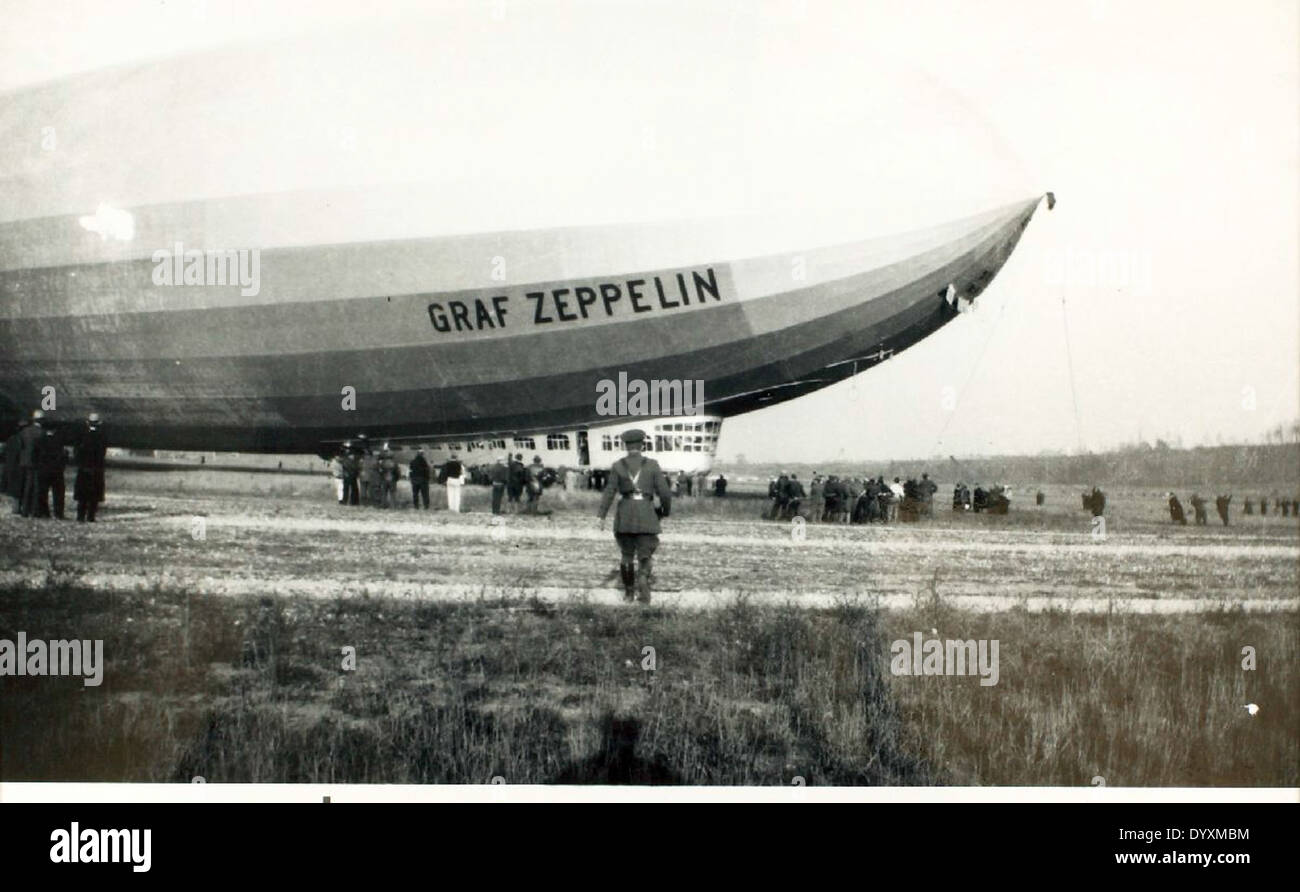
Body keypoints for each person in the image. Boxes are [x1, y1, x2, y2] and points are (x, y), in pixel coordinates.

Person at [597, 428, 672, 603]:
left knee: (626, 555)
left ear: (626, 446)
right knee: (645, 554)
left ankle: (629, 593)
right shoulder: (652, 465)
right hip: (646, 514)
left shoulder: (618, 465)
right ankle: (643, 580)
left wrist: (601, 516)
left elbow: (609, 492)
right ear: (642, 445)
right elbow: (665, 493)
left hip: (625, 516)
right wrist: (664, 512)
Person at [73, 413, 107, 522]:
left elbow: (76, 452)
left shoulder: (82, 436)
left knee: (82, 495)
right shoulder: (102, 437)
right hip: (96, 470)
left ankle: (80, 516)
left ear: (87, 423)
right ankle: (91, 516)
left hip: (83, 469)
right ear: (99, 424)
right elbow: (102, 453)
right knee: (94, 495)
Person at [35, 425, 67, 518]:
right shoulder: (59, 441)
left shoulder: (39, 440)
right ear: (54, 430)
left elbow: (35, 455)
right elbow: (64, 455)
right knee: (58, 493)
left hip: (43, 470)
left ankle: (43, 512)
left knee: (42, 492)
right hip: (57, 471)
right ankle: (58, 513)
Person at [18, 409, 45, 517]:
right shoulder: (41, 432)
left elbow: (21, 446)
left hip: (24, 462)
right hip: (36, 463)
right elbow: (42, 450)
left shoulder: (24, 431)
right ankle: (34, 511)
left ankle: (24, 510)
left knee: (26, 486)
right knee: (36, 487)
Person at [4, 420, 26, 514]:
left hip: (11, 466)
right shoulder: (21, 439)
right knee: (20, 488)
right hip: (19, 467)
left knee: (15, 490)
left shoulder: (11, 439)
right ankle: (18, 508)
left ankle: (16, 508)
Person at [378, 443, 399, 508]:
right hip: (392, 479)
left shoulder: (382, 463)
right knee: (392, 493)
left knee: (384, 493)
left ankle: (383, 505)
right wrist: (396, 478)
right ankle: (393, 506)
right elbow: (397, 472)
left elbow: (380, 471)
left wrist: (381, 477)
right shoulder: (394, 463)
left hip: (384, 478)